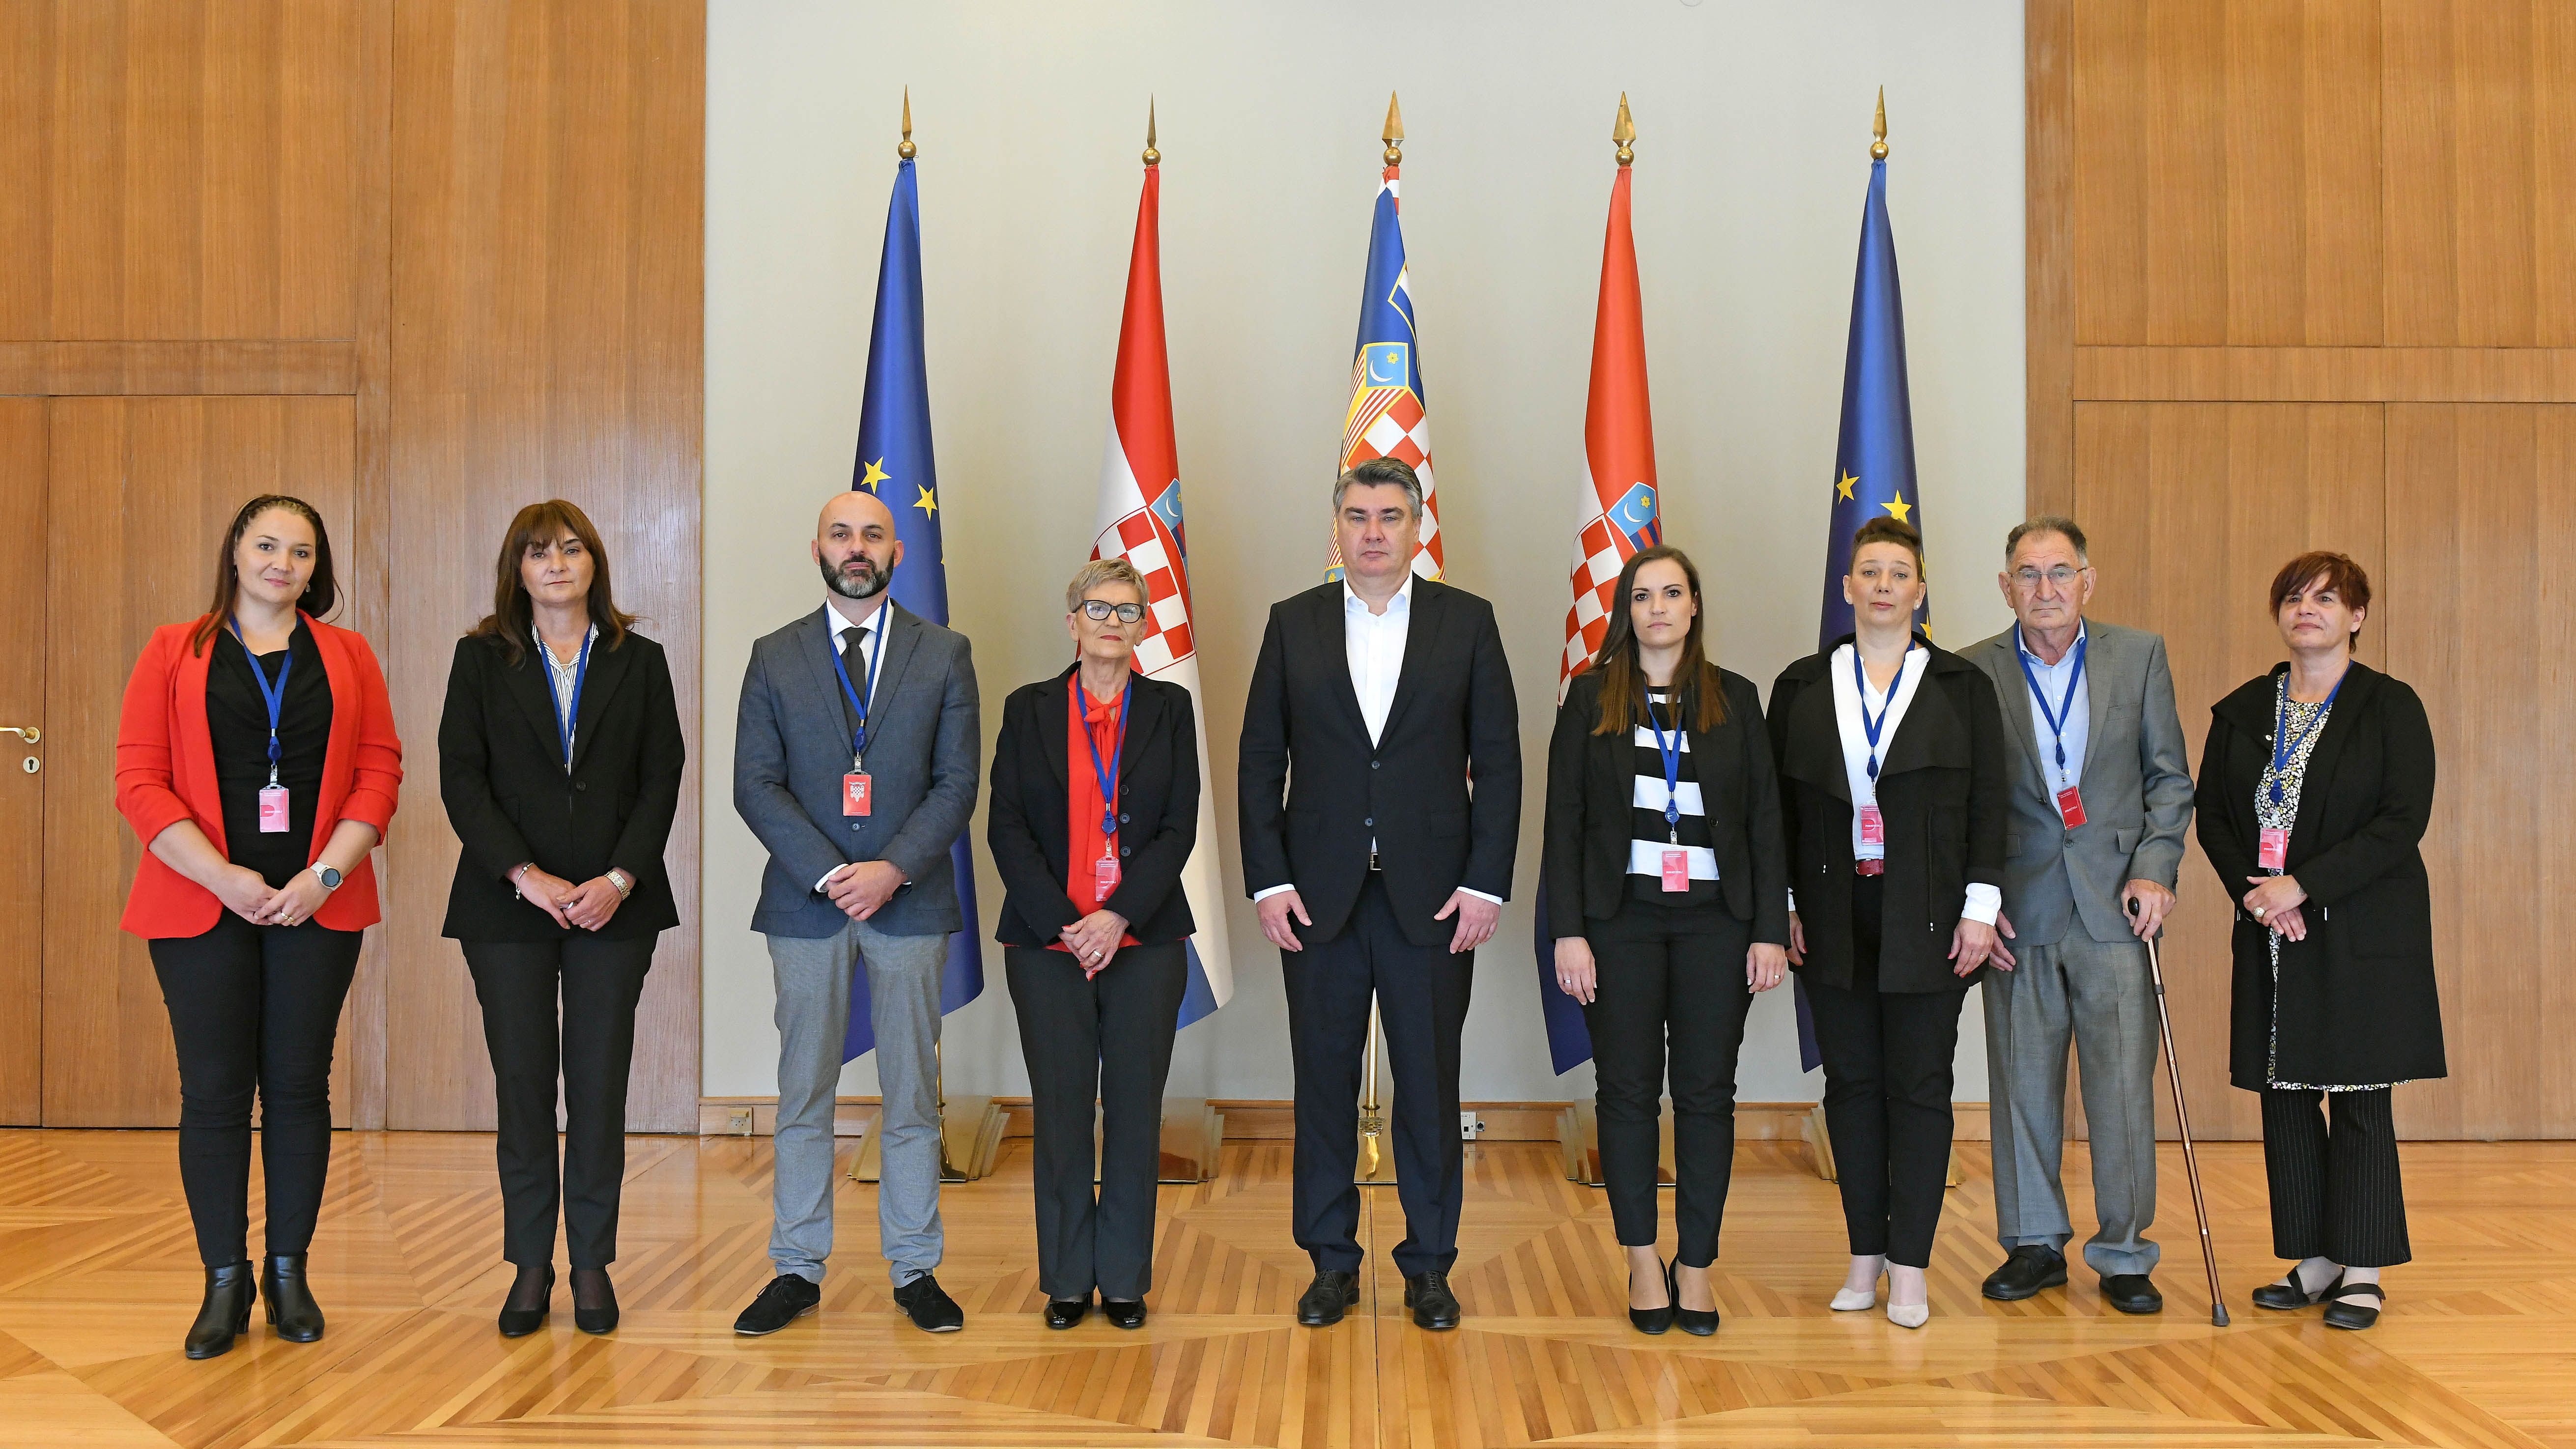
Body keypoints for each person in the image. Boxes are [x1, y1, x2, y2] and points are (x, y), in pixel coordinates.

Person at [113, 495, 402, 1360]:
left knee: (298, 1086)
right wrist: (226, 876)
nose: (284, 562)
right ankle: (223, 1283)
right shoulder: (173, 650)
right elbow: (139, 779)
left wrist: (323, 876)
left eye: (302, 551)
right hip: (202, 902)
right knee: (212, 1090)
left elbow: (380, 771)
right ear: (235, 552)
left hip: (318, 904)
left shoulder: (348, 655)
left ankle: (287, 1274)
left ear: (319, 568)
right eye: (267, 544)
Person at [1239, 456, 1521, 1333]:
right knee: (1320, 1085)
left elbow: (1501, 763)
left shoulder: (1466, 622)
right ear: (1339, 525)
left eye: (1390, 516)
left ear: (1415, 524)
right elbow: (1259, 759)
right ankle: (1331, 1261)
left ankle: (1429, 1265)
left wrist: (1486, 881)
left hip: (1433, 899)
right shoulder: (1295, 623)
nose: (1372, 531)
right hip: (1317, 896)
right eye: (1357, 515)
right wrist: (1269, 877)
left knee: (1430, 1088)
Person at [731, 488, 981, 1336]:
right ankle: (796, 1268)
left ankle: (916, 1270)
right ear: (817, 549)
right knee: (804, 1092)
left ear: (897, 551)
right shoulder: (774, 655)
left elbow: (957, 784)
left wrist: (892, 870)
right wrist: (837, 874)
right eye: (841, 533)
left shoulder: (944, 653)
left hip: (909, 904)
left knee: (912, 1094)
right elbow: (754, 784)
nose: (857, 546)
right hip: (807, 908)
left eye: (873, 532)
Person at [438, 500, 685, 1338]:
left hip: (616, 905)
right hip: (507, 906)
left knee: (598, 1083)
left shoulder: (639, 659)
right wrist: (526, 874)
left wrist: (619, 876)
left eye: (572, 549)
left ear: (595, 563)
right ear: (517, 568)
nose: (556, 564)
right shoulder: (480, 661)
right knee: (523, 1087)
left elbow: (663, 777)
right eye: (538, 553)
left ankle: (590, 1263)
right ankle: (529, 1265)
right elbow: (460, 779)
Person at [1767, 515, 2008, 1330]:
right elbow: (1778, 814)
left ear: (1920, 589)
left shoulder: (1964, 687)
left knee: (1920, 1089)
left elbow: (1989, 805)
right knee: (1853, 1088)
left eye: (1897, 572)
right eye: (1868, 571)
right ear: (1847, 587)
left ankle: (1911, 1267)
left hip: (1933, 921)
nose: (1881, 585)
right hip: (1830, 915)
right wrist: (1786, 905)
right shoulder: (1800, 686)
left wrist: (1982, 908)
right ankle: (1864, 1255)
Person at [1543, 545, 1790, 1337]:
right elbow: (1564, 825)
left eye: (1672, 593)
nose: (1657, 607)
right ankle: (1643, 1256)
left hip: (1717, 925)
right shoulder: (1589, 703)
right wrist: (1569, 932)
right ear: (1627, 611)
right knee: (1624, 1092)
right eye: (1642, 595)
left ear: (1694, 607)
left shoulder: (1736, 699)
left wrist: (1767, 931)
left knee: (1706, 1095)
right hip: (1620, 924)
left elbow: (1764, 822)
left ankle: (1697, 1263)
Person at [2196, 551, 2439, 1333]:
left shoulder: (2389, 706)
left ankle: (2362, 1269)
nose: (2309, 609)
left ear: (2357, 617)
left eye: (2328, 599)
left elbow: (2402, 820)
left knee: (2361, 1096)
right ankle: (2315, 1258)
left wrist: (2304, 885)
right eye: (2295, 597)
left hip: (2360, 925)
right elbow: (2215, 820)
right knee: (2287, 1095)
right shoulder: (2240, 711)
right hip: (2269, 929)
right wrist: (2261, 895)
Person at [1962, 517, 2193, 1315]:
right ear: (2005, 588)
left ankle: (2125, 1251)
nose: (2045, 590)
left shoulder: (2139, 656)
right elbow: (1962, 804)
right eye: (2027, 574)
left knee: (2123, 1090)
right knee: (2022, 1081)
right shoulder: (1970, 671)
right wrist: (1978, 906)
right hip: (2018, 914)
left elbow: (2170, 781)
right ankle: (2034, 1242)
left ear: (2087, 581)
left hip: (2117, 908)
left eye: (2061, 573)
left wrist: (2156, 872)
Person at [986, 558, 1199, 1332]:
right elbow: (1004, 825)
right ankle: (1068, 1278)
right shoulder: (1029, 707)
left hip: (1145, 941)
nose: (1113, 622)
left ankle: (1125, 1278)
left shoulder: (1172, 708)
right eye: (1097, 609)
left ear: (1144, 625)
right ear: (1071, 619)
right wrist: (1066, 923)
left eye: (1128, 611)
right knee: (1064, 1110)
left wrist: (1115, 917)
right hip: (1048, 946)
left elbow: (1181, 827)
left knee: (1136, 1111)